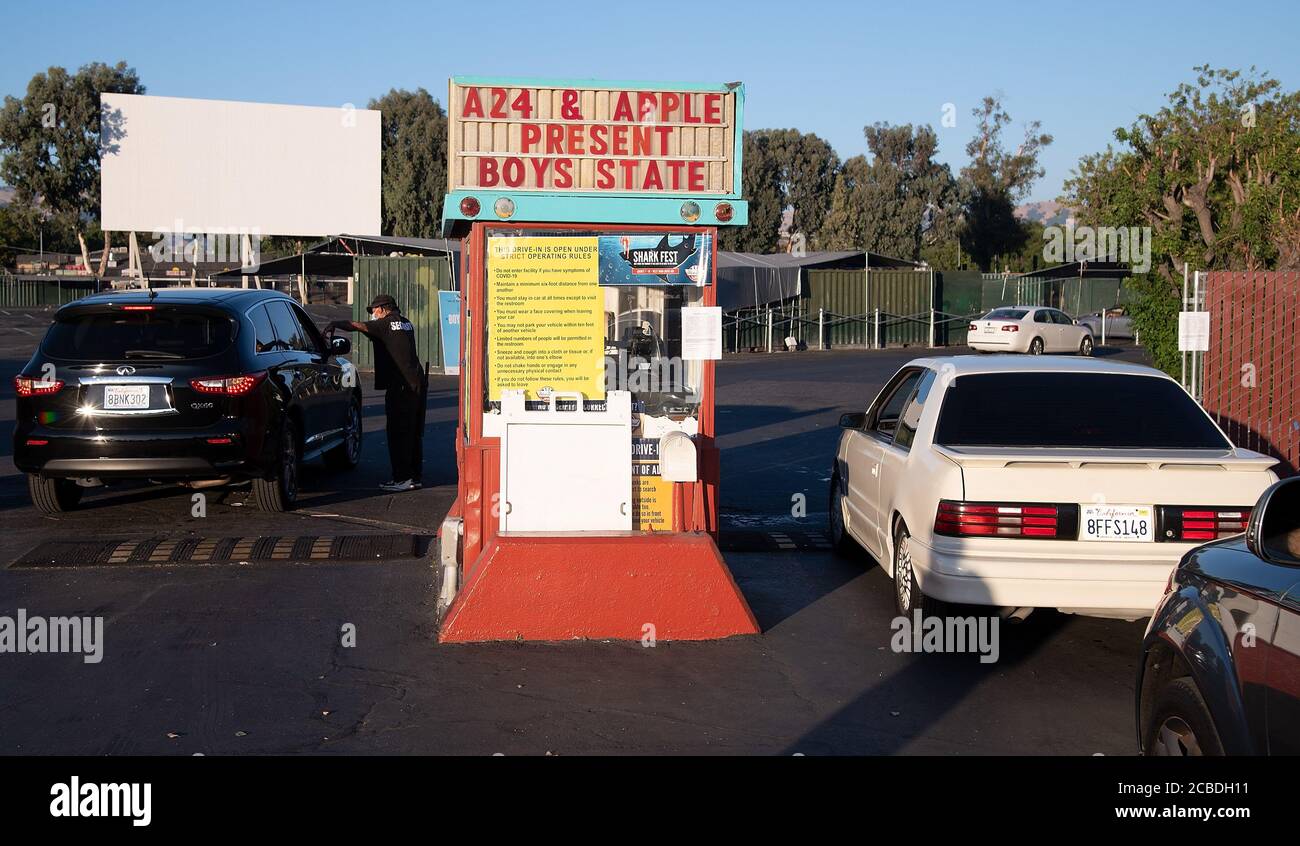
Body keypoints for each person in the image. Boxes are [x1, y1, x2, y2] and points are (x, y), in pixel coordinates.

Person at [328, 294, 425, 492]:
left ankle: (402, 478)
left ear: (381, 309)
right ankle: (414, 476)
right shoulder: (406, 324)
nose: (372, 315)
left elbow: (357, 325)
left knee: (397, 432)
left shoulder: (384, 325)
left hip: (401, 385)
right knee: (413, 432)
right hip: (417, 382)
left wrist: (335, 323)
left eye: (373, 311)